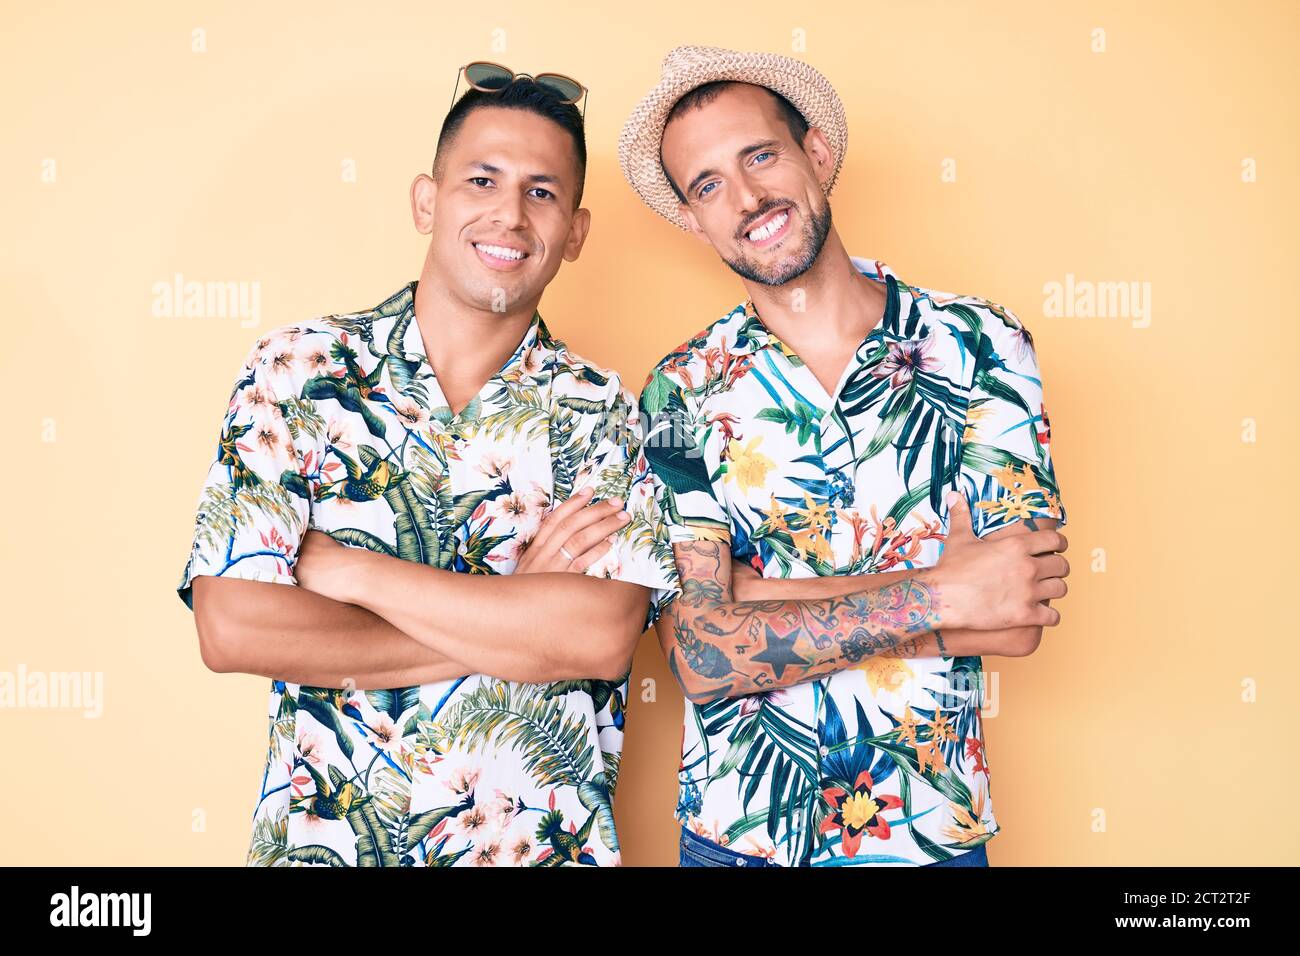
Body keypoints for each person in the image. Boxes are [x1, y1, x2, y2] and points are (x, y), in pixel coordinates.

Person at [177, 68, 678, 867]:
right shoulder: (296, 371)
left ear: (576, 232)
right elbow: (233, 625)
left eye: (542, 192)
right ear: (426, 200)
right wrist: (517, 617)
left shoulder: (609, 413)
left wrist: (352, 575)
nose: (509, 213)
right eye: (482, 179)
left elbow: (597, 638)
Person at [618, 46, 1070, 867]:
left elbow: (1014, 617)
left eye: (760, 156)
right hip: (736, 837)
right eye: (708, 184)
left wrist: (758, 599)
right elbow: (702, 656)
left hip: (929, 833)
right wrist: (943, 589)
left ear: (815, 152)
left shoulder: (982, 345)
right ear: (691, 218)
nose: (748, 198)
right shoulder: (676, 392)